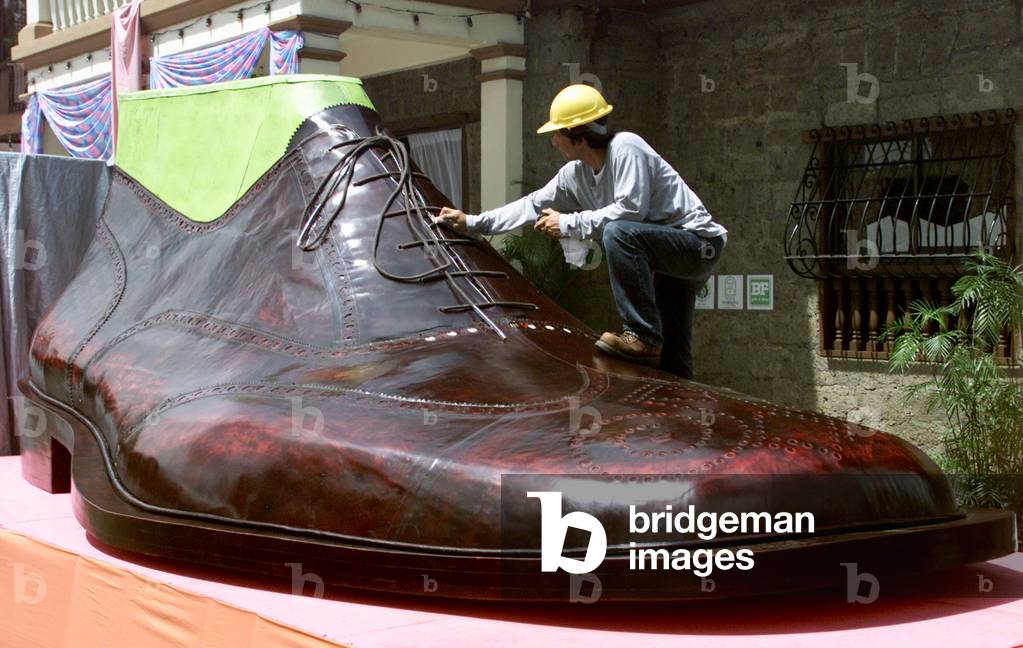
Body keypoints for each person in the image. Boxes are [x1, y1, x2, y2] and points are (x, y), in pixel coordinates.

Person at [437, 84, 726, 380]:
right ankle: (676, 410)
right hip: (665, 260)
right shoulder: (575, 176)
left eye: (558, 133)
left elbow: (630, 211)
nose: (554, 141)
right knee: (673, 355)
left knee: (619, 233)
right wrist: (473, 222)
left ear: (578, 136)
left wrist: (567, 223)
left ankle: (641, 336)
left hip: (698, 243)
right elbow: (532, 204)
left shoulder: (627, 148)